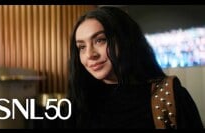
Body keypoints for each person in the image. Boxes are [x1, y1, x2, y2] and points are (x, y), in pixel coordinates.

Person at [65, 6, 203, 129]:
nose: (90, 54)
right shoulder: (79, 102)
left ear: (125, 40)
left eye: (100, 40)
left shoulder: (169, 95)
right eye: (82, 47)